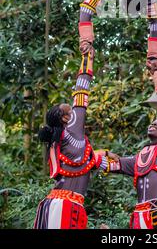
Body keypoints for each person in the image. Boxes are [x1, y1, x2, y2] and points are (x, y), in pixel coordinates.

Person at [100, 60, 157, 229]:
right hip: (139, 216)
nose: (153, 125)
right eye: (151, 123)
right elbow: (112, 165)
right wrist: (91, 156)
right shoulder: (140, 158)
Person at [34, 90, 118, 229]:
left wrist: (106, 153)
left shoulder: (65, 140)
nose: (75, 112)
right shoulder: (68, 135)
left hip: (60, 202)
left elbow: (85, 160)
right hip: (65, 204)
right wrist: (86, 70)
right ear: (65, 119)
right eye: (71, 111)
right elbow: (85, 160)